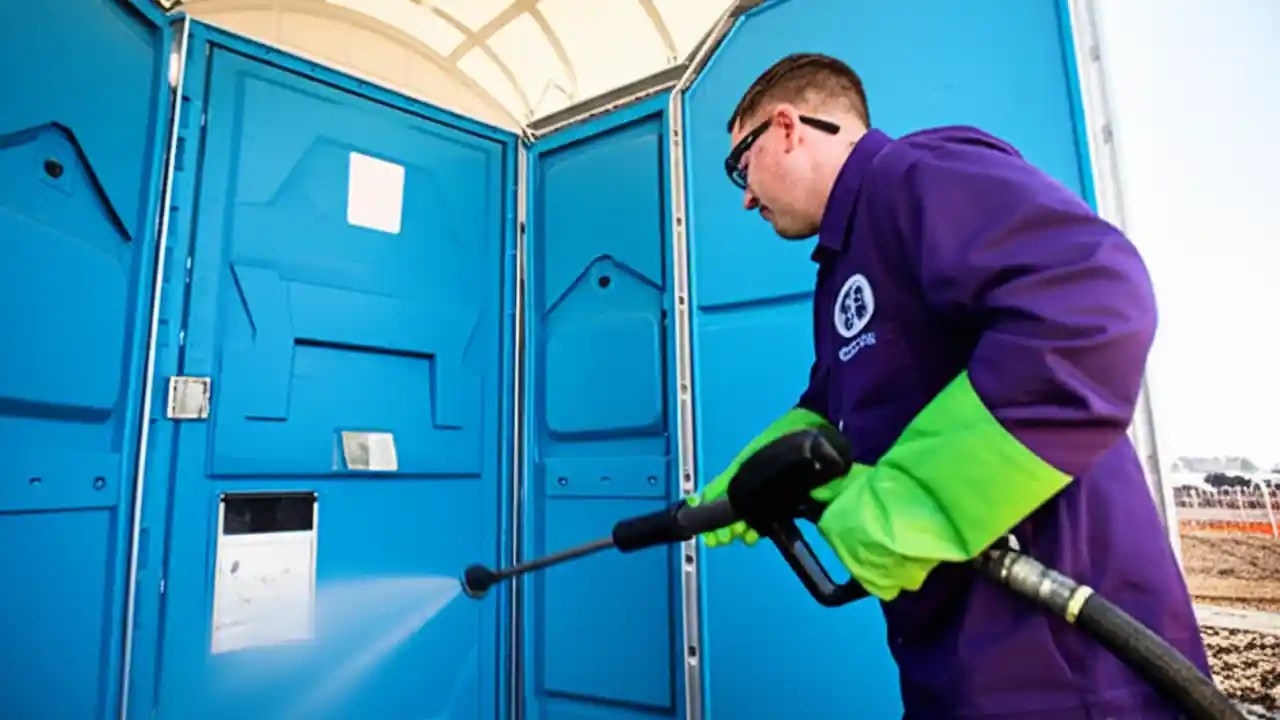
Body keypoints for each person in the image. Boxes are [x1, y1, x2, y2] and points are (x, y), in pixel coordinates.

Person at [695, 52, 1212, 719]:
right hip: (957, 668)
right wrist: (762, 467)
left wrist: (920, 498)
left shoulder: (917, 177)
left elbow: (1089, 302)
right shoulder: (845, 263)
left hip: (1067, 668)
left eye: (741, 163)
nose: (743, 194)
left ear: (787, 127)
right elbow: (841, 406)